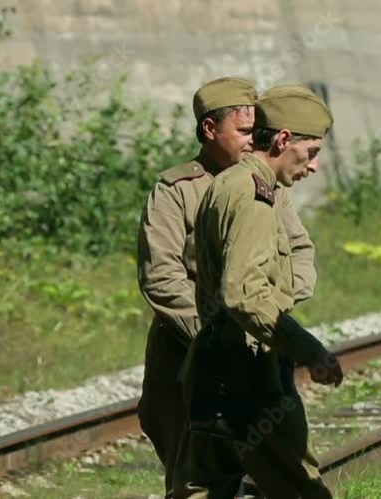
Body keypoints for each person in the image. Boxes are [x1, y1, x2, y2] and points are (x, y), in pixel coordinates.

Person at [136, 77, 317, 496]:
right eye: (245, 132)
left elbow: (299, 249)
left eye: (260, 132)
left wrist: (271, 310)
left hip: (257, 347)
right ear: (209, 130)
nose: (256, 141)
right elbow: (160, 277)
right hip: (187, 351)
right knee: (193, 475)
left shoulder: (267, 183)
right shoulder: (176, 191)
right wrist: (212, 337)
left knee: (282, 463)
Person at [173, 84, 343, 499]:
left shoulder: (230, 181)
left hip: (214, 367)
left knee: (208, 487)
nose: (315, 166)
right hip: (248, 373)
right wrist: (307, 349)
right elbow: (243, 293)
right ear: (283, 140)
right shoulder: (253, 194)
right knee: (299, 488)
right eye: (312, 152)